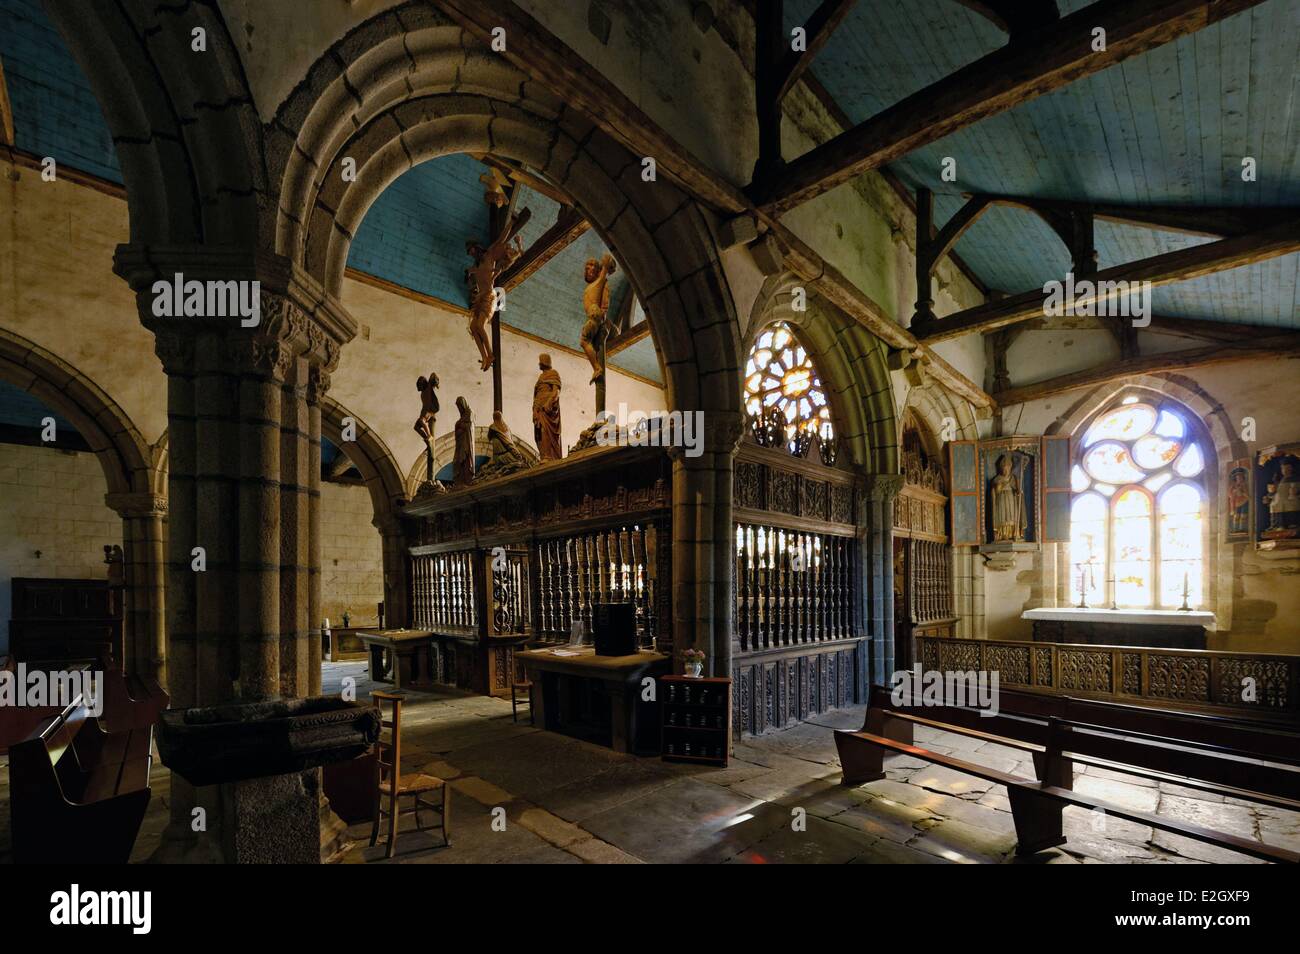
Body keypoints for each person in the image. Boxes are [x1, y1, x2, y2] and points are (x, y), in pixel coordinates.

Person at [579, 253, 617, 383]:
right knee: (586, 340)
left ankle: (597, 369)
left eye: (591, 265)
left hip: (596, 314)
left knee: (584, 340)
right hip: (593, 315)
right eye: (587, 266)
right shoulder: (591, 286)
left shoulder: (600, 281)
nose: (587, 268)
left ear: (598, 270)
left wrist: (606, 263)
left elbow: (606, 264)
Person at [532, 353, 563, 461]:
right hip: (538, 408)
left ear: (545, 361)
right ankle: (543, 455)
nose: (539, 363)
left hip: (547, 409)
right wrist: (535, 409)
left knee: (546, 431)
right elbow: (536, 394)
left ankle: (549, 456)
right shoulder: (541, 377)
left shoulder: (553, 373)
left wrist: (548, 403)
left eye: (540, 361)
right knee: (538, 433)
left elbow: (556, 391)